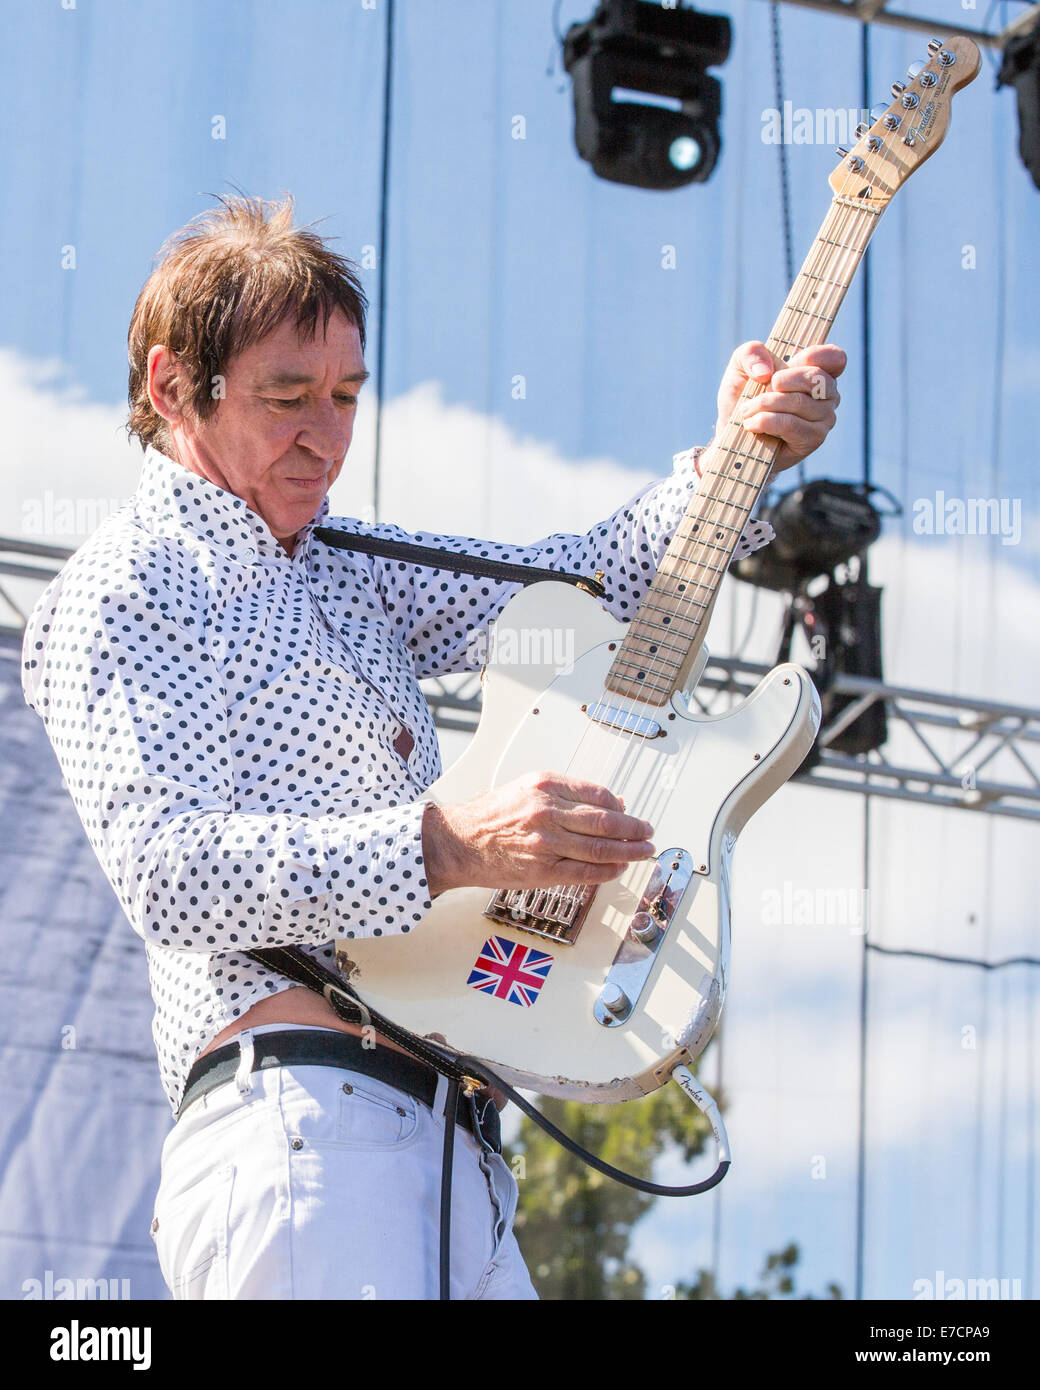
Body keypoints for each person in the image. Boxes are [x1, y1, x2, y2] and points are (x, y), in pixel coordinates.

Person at [21, 194, 845, 1300]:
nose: (325, 434)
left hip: (452, 1140)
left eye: (347, 397)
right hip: (299, 1125)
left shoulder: (345, 563)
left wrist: (733, 463)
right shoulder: (124, 583)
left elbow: (582, 589)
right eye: (286, 398)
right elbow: (169, 871)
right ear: (174, 387)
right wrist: (446, 844)